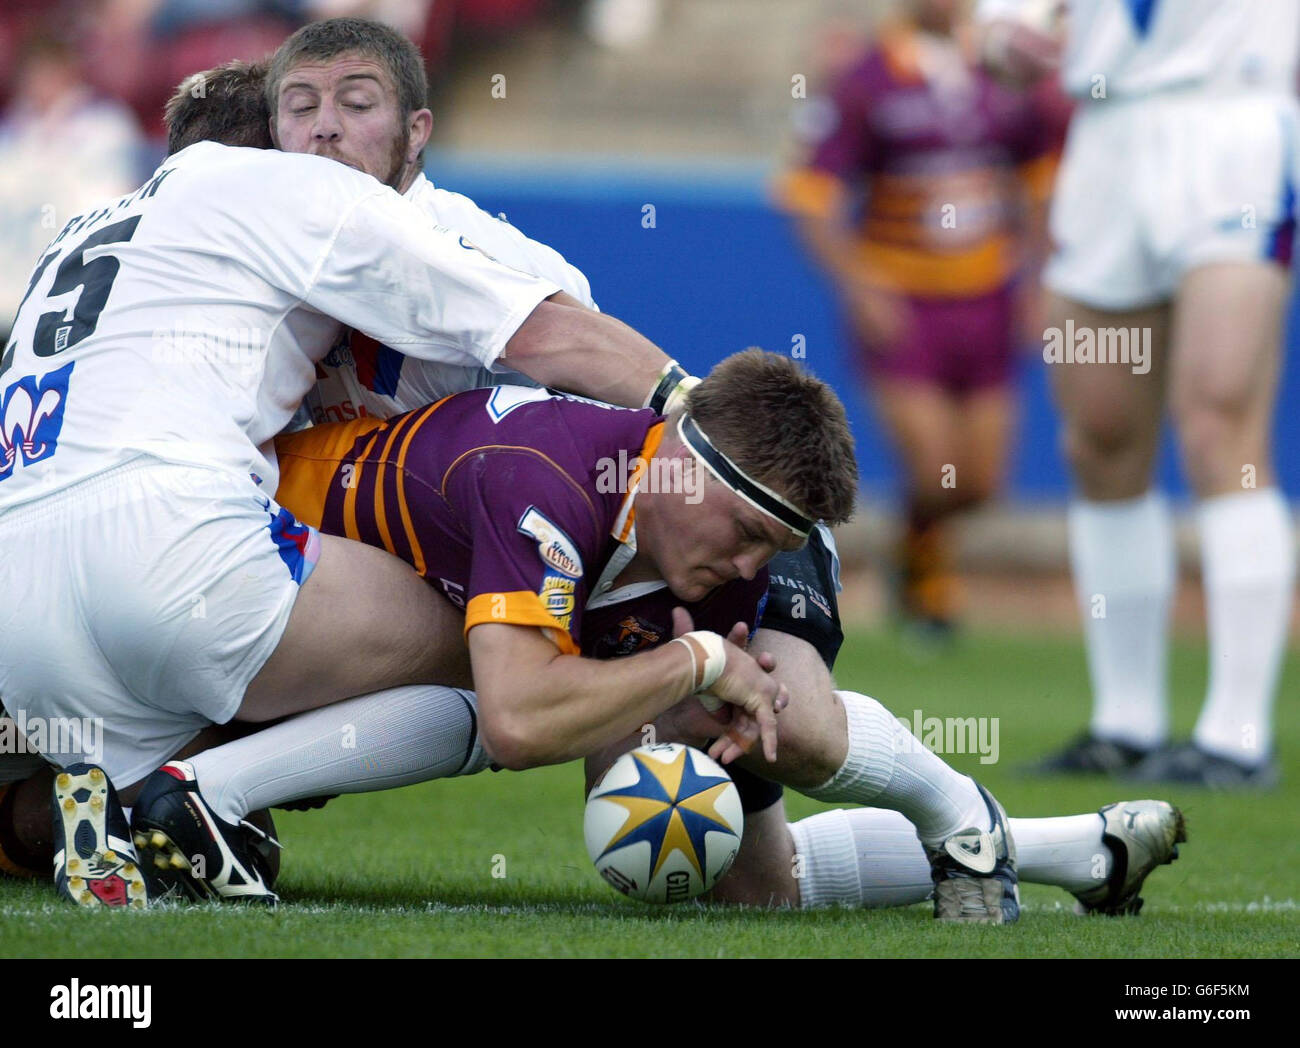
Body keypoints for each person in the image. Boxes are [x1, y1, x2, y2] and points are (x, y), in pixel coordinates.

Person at [0, 112, 772, 906]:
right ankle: (203, 794)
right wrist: (707, 422)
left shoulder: (98, 225)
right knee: (506, 665)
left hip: (20, 584)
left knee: (189, 823)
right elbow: (537, 329)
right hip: (169, 535)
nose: (327, 146)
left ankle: (57, 821)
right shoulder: (295, 190)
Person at [978, 0, 1298, 786]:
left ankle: (1237, 733)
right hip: (1108, 134)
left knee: (1219, 421)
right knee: (1099, 438)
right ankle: (1127, 722)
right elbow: (998, 25)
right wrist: (1001, 37)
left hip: (1235, 122)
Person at [776, 0, 1063, 637]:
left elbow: (1042, 173)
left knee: (983, 483)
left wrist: (1037, 280)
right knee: (936, 469)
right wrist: (860, 286)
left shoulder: (1001, 66)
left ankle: (915, 545)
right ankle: (925, 576)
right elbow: (808, 194)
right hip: (906, 304)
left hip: (987, 298)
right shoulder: (867, 77)